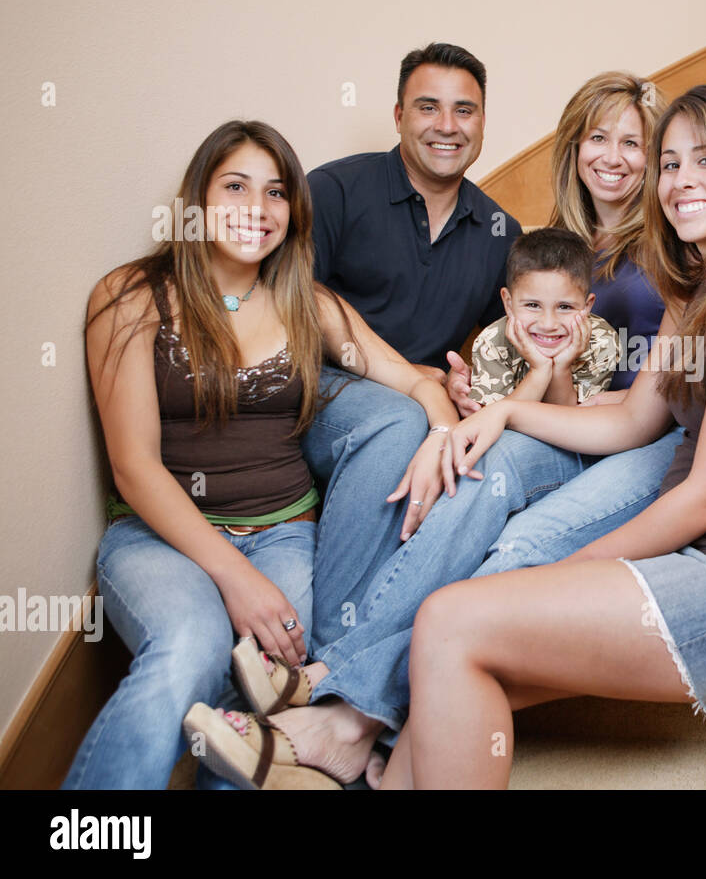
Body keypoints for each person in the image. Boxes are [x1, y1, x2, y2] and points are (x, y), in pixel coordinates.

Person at [183, 73, 691, 789]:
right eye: (597, 138)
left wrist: (504, 412)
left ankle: (336, 688)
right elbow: (507, 354)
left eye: (635, 144)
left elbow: (640, 410)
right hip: (563, 421)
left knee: (497, 468)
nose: (614, 156)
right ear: (573, 148)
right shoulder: (556, 241)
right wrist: (459, 392)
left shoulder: (673, 238)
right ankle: (347, 701)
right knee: (473, 467)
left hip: (620, 434)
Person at [385, 83, 706, 788]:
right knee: (446, 668)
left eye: (705, 161)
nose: (681, 181)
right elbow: (632, 420)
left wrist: (574, 571)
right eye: (672, 164)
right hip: (698, 566)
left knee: (448, 623)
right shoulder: (704, 286)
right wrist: (503, 411)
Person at [62, 120, 458, 790]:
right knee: (194, 649)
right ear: (198, 199)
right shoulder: (129, 298)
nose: (258, 208)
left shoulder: (309, 304)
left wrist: (443, 434)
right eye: (236, 186)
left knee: (272, 682)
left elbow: (416, 380)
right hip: (160, 540)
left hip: (285, 536)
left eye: (276, 192)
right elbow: (133, 464)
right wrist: (233, 578)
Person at [300, 42, 522, 658]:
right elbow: (300, 301)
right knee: (397, 421)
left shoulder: (503, 231)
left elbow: (479, 354)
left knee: (487, 459)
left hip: (426, 408)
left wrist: (458, 386)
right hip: (323, 395)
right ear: (398, 114)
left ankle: (398, 661)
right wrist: (419, 389)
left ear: (482, 121)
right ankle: (328, 655)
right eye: (429, 107)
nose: (447, 126)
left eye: (465, 111)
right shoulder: (335, 189)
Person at [468, 228, 620, 407]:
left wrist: (561, 368)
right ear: (508, 304)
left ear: (587, 307)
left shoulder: (602, 342)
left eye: (564, 307)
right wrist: (539, 370)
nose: (548, 324)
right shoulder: (492, 342)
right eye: (533, 305)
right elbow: (492, 421)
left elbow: (571, 424)